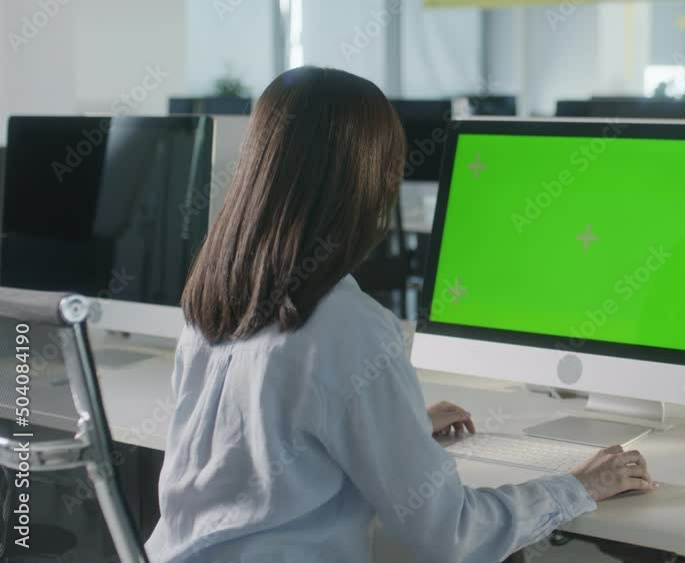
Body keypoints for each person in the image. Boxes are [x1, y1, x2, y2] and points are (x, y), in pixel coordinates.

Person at [146, 66, 654, 563]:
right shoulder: (346, 325)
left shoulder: (213, 295)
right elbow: (451, 536)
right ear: (370, 179)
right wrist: (580, 486)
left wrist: (393, 430)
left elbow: (258, 446)